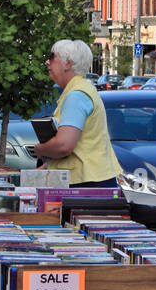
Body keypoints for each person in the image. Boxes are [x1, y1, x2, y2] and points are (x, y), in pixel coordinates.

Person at [31, 39, 121, 188]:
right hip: (91, 178)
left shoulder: (76, 95)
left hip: (86, 183)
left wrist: (40, 149)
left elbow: (64, 145)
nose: (47, 62)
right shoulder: (80, 90)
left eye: (52, 57)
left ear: (68, 63)